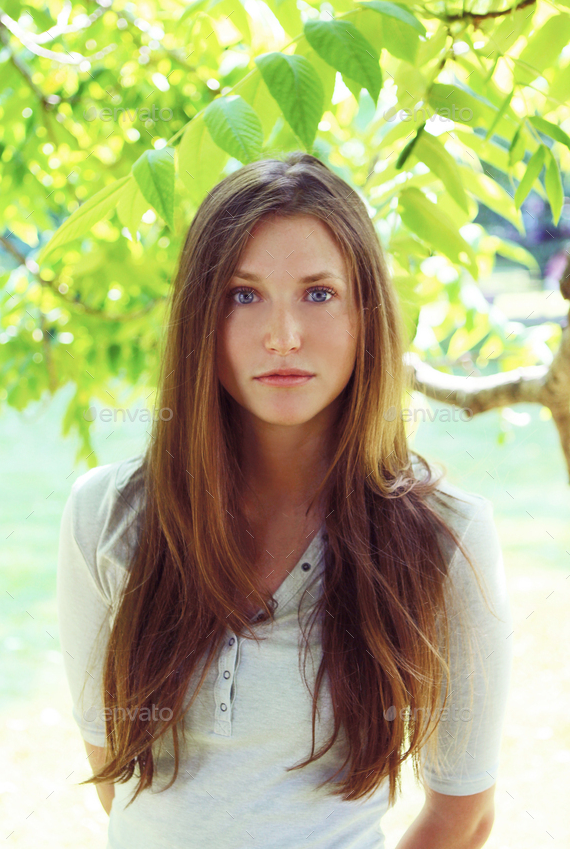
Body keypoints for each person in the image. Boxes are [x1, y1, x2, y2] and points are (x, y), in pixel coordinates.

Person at [57, 151, 513, 849]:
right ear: (200, 319)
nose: (283, 336)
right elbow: (116, 774)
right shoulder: (105, 517)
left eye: (318, 293)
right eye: (244, 294)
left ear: (366, 314)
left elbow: (464, 812)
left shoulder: (446, 536)